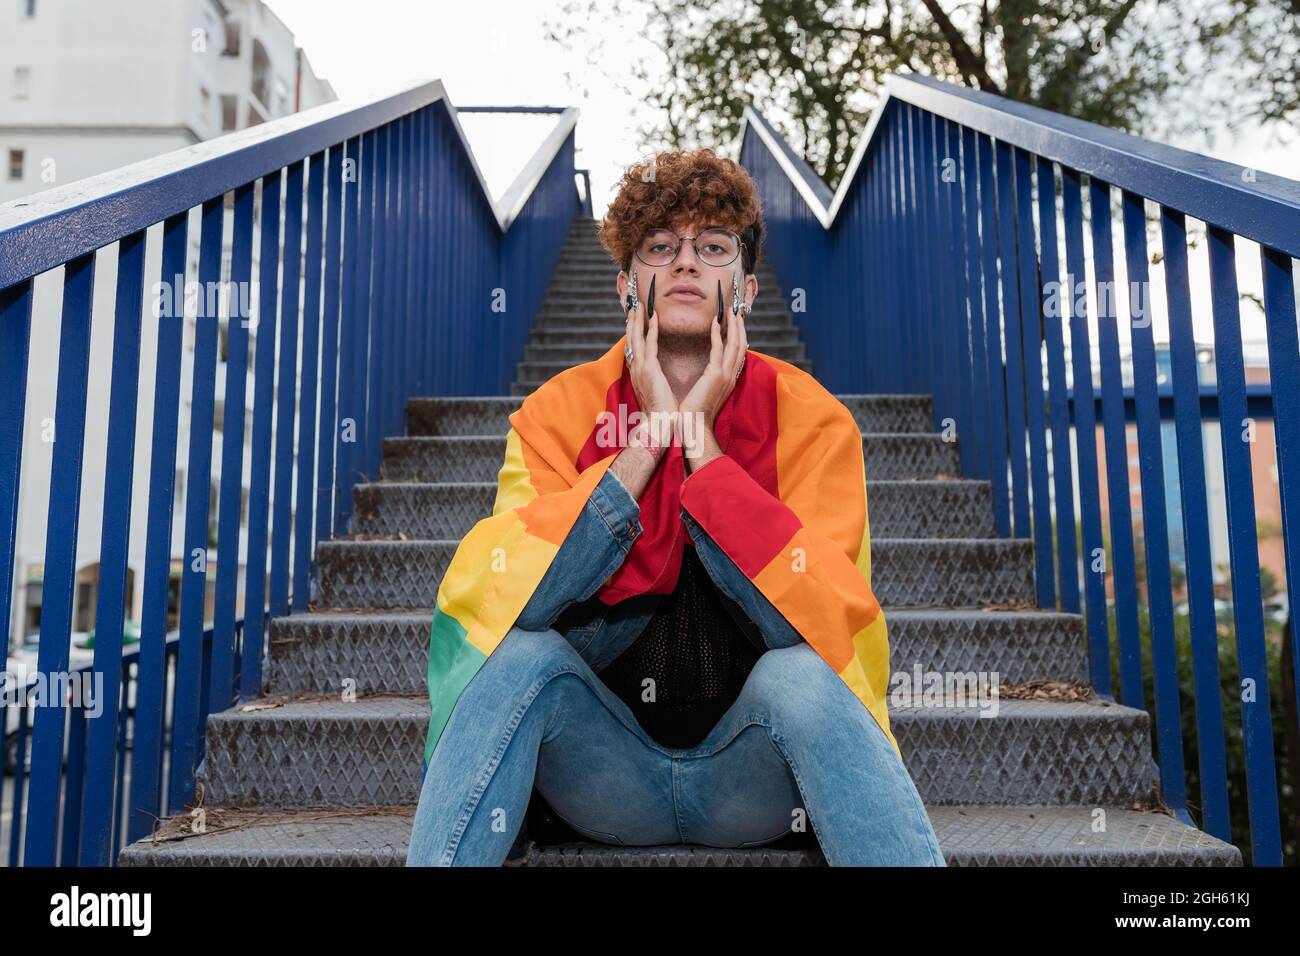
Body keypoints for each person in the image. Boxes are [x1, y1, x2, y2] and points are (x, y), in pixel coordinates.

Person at [405, 147, 945, 866]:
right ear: (626, 287)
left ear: (748, 290)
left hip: (755, 779)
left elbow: (813, 627)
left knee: (803, 675)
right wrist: (650, 439)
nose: (687, 263)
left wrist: (702, 449)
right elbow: (511, 608)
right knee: (515, 659)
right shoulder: (555, 413)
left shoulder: (815, 421)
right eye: (661, 247)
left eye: (713, 246)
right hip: (602, 776)